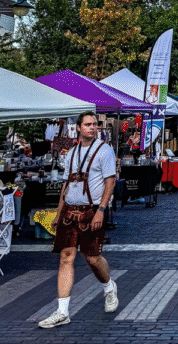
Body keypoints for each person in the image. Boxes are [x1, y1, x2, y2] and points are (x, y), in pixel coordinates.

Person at [39, 111, 118, 328]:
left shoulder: (104, 150)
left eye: (95, 125)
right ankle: (62, 311)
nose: (93, 128)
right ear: (78, 128)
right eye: (88, 125)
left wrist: (101, 210)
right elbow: (66, 184)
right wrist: (59, 211)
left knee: (92, 258)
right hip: (70, 211)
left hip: (92, 210)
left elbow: (110, 182)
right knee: (66, 257)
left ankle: (109, 287)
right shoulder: (71, 153)